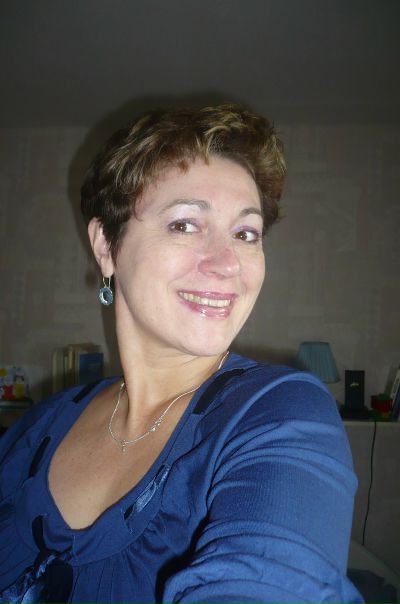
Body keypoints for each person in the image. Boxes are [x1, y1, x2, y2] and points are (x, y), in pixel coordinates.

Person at [0, 104, 363, 603]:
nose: (227, 263)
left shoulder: (280, 414)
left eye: (246, 234)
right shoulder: (36, 427)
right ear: (105, 245)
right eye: (186, 225)